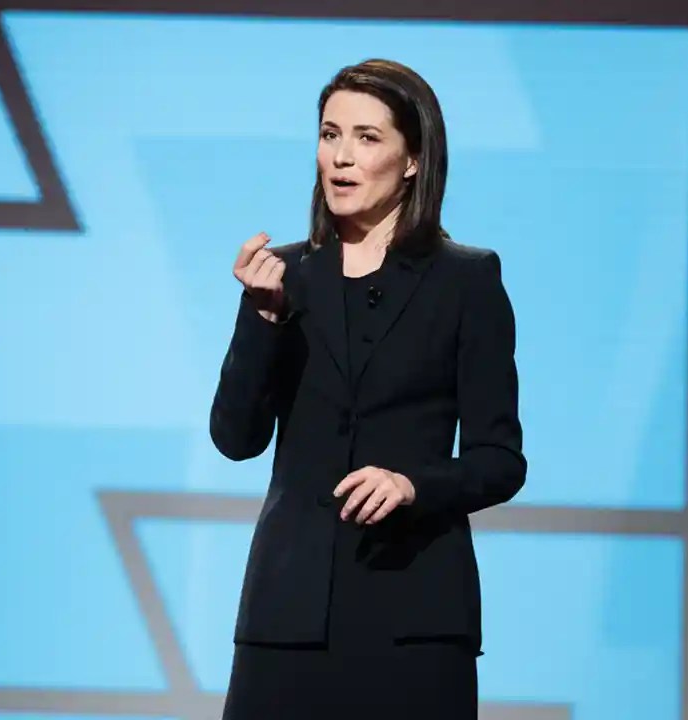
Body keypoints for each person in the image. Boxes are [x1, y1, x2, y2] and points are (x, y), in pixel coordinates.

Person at [210, 59, 527, 719]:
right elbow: (235, 439)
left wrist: (414, 484)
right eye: (330, 135)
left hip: (414, 613)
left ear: (413, 159)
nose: (342, 158)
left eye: (367, 138)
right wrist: (264, 319)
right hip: (288, 611)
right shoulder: (282, 276)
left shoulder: (466, 281)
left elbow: (499, 461)